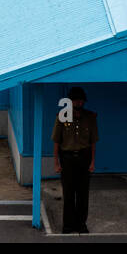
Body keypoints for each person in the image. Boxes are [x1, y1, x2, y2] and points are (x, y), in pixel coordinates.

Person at [51, 86, 97, 234]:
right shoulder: (62, 117)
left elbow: (93, 143)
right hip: (68, 159)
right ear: (70, 102)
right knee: (69, 194)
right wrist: (56, 163)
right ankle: (68, 225)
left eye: (80, 100)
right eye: (75, 100)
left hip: (84, 158)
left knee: (83, 194)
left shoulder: (90, 117)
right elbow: (56, 141)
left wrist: (92, 162)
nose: (78, 103)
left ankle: (81, 224)